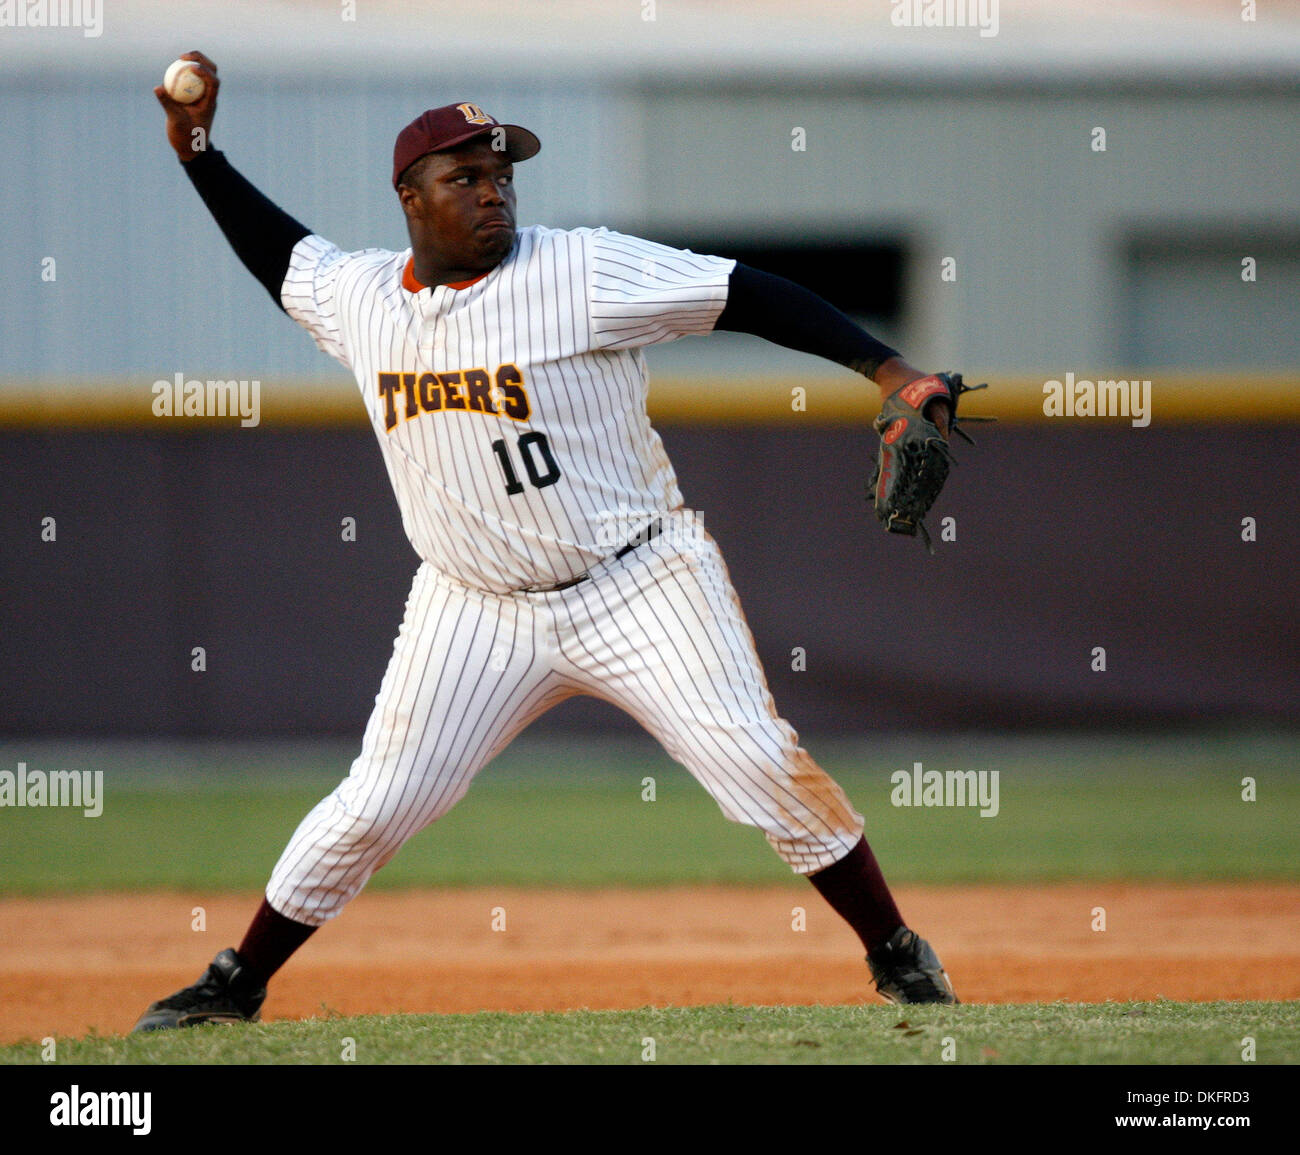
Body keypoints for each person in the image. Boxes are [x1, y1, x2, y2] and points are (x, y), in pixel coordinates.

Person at [134, 52, 959, 1033]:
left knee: (752, 757)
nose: (493, 196)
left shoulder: (580, 269)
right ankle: (234, 987)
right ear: (410, 197)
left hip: (637, 580)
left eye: (502, 175)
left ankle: (895, 953)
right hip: (472, 603)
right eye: (465, 178)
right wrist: (195, 149)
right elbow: (278, 254)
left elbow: (746, 291)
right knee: (380, 801)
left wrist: (891, 370)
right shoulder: (359, 298)